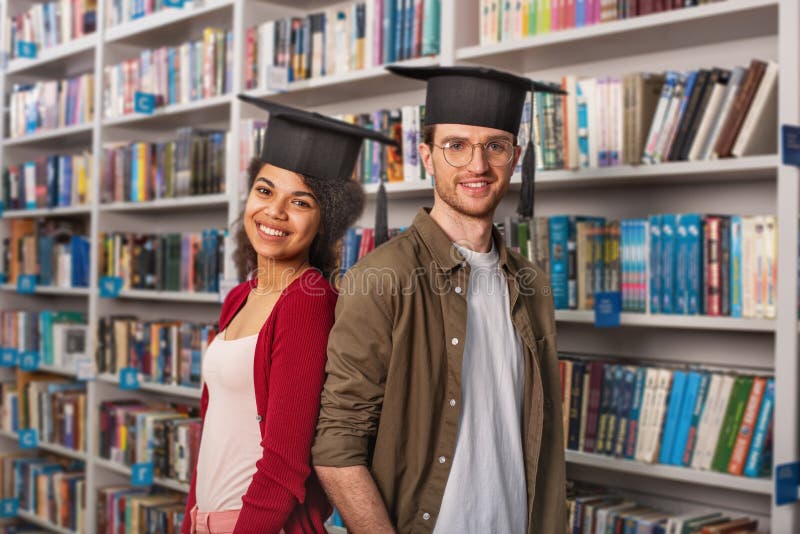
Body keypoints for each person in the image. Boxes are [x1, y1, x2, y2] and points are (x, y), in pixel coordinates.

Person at [312, 65, 567, 534]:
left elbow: (541, 438)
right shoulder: (381, 278)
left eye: (495, 146)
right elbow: (337, 446)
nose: (477, 165)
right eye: (456, 146)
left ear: (515, 157)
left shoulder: (531, 284)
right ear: (426, 156)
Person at [181, 95, 395, 534]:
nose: (274, 212)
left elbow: (285, 462)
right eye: (265, 190)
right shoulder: (239, 296)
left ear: (326, 222)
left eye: (300, 202)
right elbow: (213, 431)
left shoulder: (308, 302)